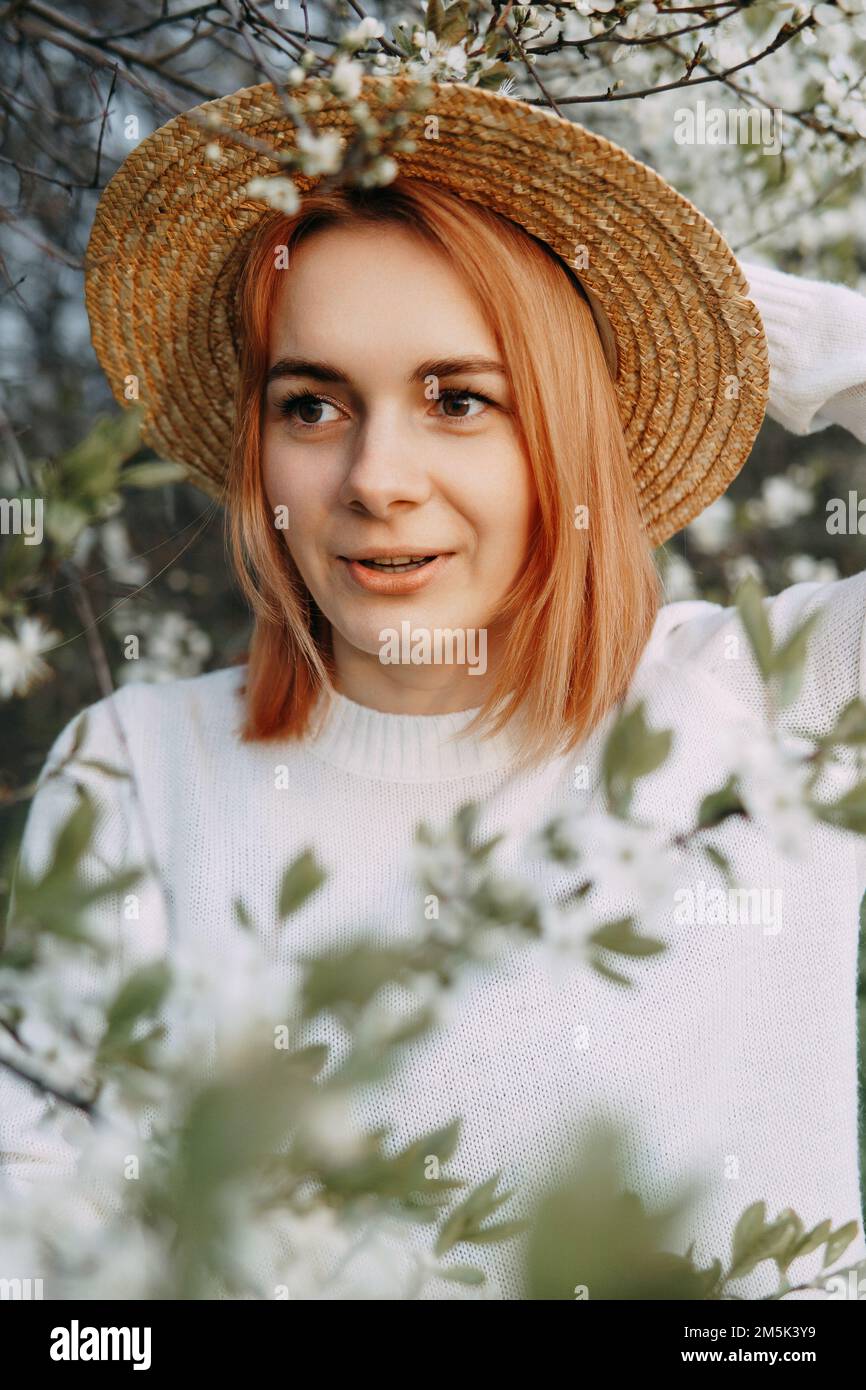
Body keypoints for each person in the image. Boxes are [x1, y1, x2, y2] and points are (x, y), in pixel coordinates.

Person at [2, 74, 866, 1300]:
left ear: (561, 434)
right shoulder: (141, 767)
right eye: (312, 404)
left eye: (459, 399)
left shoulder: (781, 705)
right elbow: (37, 1251)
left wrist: (781, 333)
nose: (375, 476)